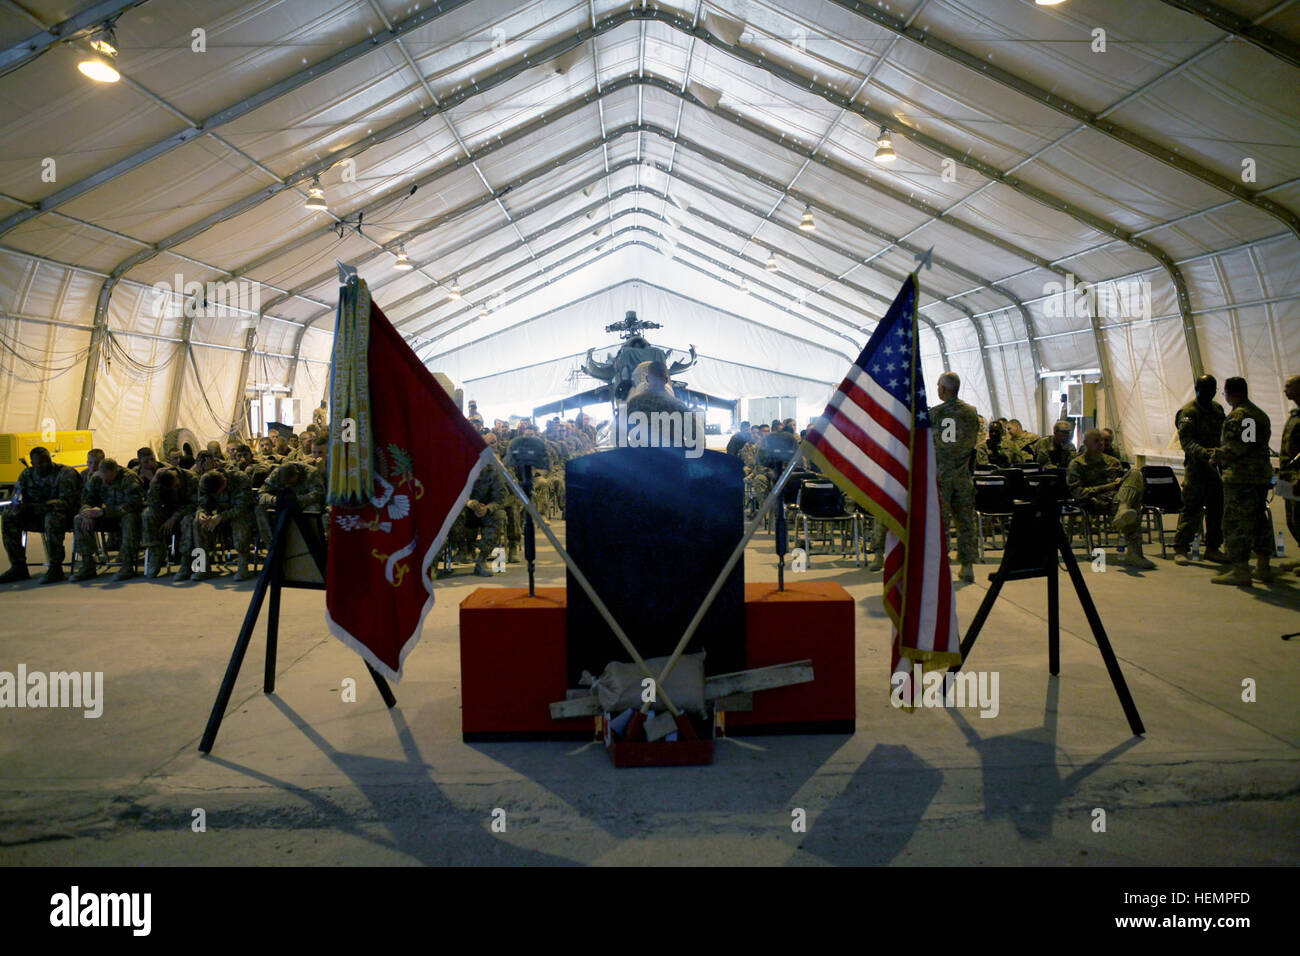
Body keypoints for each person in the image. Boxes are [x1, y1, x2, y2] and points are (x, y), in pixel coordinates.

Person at [1211, 377, 1274, 586]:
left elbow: (1242, 445)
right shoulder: (1259, 414)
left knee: (1235, 523)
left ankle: (1240, 570)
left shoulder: (1242, 416)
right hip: (1260, 478)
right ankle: (1263, 566)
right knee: (1259, 521)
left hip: (1242, 479)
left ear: (1231, 393)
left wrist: (1218, 455)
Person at [1067, 428, 1154, 569]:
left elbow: (1123, 484)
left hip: (1116, 498)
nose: (1101, 443)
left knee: (1136, 474)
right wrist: (1106, 487)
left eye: (1102, 440)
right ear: (1085, 443)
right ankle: (1134, 553)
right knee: (1130, 508)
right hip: (1094, 501)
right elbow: (1077, 492)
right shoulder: (1077, 464)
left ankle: (1123, 508)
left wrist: (1119, 485)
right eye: (1096, 440)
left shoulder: (1113, 461)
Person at [0, 447, 81, 584]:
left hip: (63, 517)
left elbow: (66, 503)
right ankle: (18, 566)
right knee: (8, 517)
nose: (44, 465)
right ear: (32, 463)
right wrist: (16, 505)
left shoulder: (65, 473)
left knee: (52, 517)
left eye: (46, 461)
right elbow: (18, 494)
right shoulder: (27, 474)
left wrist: (32, 507)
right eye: (39, 463)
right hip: (36, 515)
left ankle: (56, 567)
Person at [930, 371, 980, 582]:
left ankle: (941, 564)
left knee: (939, 522)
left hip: (942, 476)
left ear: (943, 389)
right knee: (965, 521)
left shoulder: (935, 414)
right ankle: (967, 565)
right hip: (963, 475)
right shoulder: (971, 413)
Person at [1173, 374, 1228, 565]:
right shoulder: (1189, 412)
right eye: (1203, 389)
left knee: (1216, 510)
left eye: (1211, 389)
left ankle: (1213, 548)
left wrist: (1222, 454)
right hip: (1196, 469)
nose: (1207, 393)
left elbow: (1225, 435)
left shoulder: (1217, 410)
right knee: (1191, 509)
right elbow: (1187, 442)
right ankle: (1181, 548)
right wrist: (1206, 455)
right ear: (1197, 389)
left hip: (1215, 470)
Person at [73, 458, 144, 581]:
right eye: (103, 478)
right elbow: (85, 500)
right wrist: (87, 513)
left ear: (115, 471)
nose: (105, 481)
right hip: (104, 515)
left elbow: (134, 504)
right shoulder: (96, 478)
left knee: (130, 519)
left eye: (108, 478)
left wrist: (103, 512)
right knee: (79, 519)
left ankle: (127, 565)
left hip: (123, 514)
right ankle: (88, 564)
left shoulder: (129, 478)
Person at [193, 468, 256, 581]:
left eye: (221, 490)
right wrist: (201, 513)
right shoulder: (205, 481)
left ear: (225, 480)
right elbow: (202, 502)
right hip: (218, 514)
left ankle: (243, 567)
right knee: (198, 523)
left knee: (240, 524)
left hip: (239, 514)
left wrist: (221, 517)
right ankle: (202, 567)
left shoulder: (240, 478)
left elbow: (243, 506)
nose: (220, 494)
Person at [449, 466, 508, 576]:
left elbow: (500, 498)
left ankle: (481, 560)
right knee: (452, 514)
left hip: (486, 511)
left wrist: (488, 508)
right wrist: (467, 502)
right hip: (465, 510)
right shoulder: (457, 466)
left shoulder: (493, 471)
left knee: (499, 516)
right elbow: (450, 491)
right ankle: (463, 551)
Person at [141, 466, 198, 578]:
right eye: (172, 488)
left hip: (185, 512)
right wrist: (153, 483)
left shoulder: (191, 478)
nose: (175, 490)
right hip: (167, 512)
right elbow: (152, 504)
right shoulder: (160, 479)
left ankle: (186, 561)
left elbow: (195, 504)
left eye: (177, 486)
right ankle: (156, 553)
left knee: (187, 521)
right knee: (148, 514)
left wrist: (174, 518)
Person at [1280, 374, 1300, 574]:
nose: (1284, 390)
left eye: (1289, 386)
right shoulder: (1295, 414)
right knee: (1292, 518)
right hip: (1288, 475)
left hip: (1298, 477)